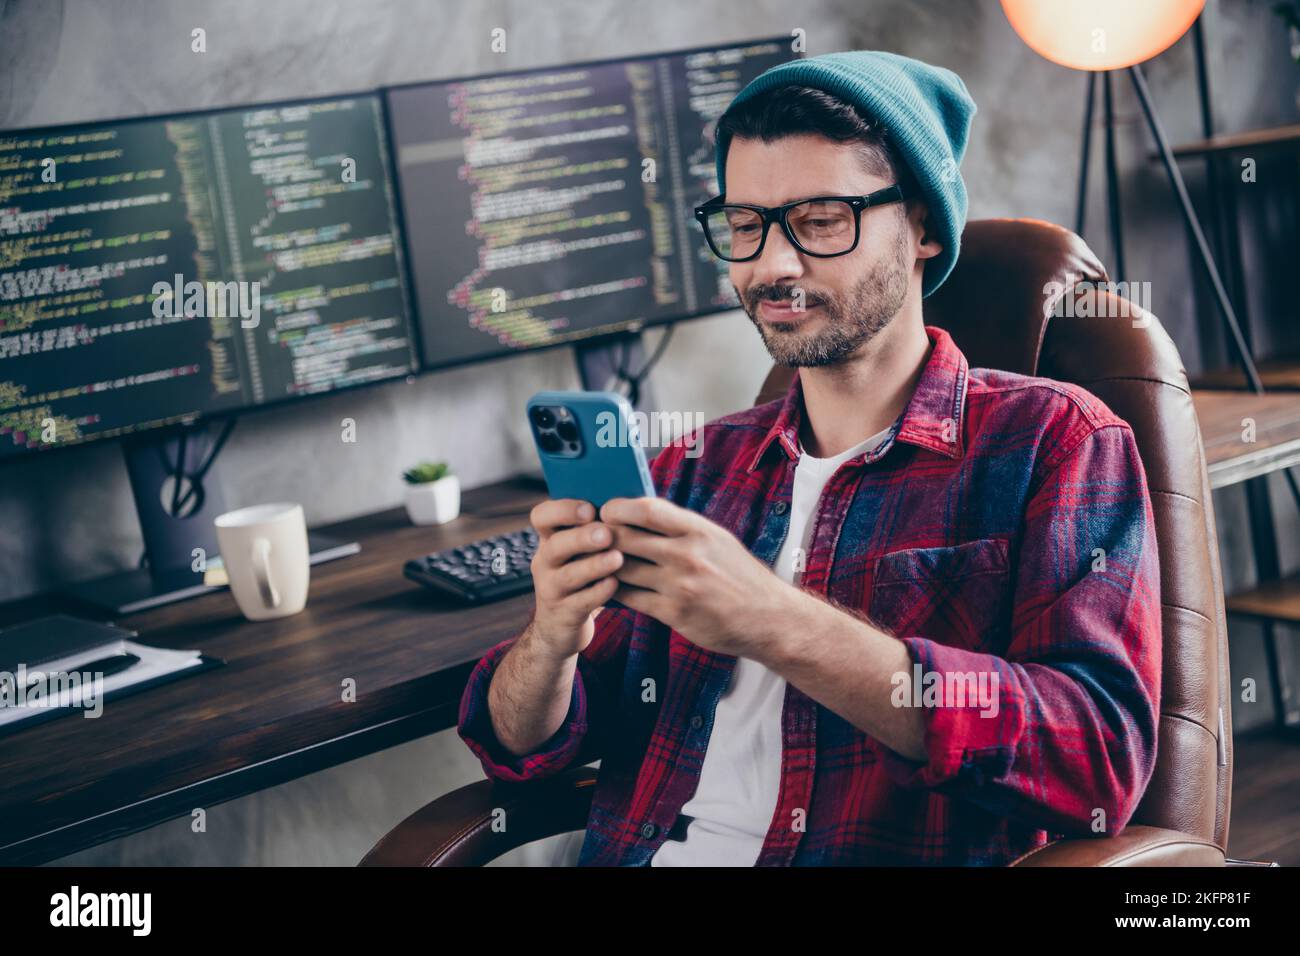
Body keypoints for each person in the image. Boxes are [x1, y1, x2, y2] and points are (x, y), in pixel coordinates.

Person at [458, 50, 1162, 866]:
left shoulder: (1057, 444)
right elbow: (522, 747)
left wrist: (774, 620)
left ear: (925, 227)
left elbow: (1095, 760)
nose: (772, 266)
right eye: (747, 226)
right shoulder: (693, 470)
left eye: (822, 220)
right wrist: (552, 636)